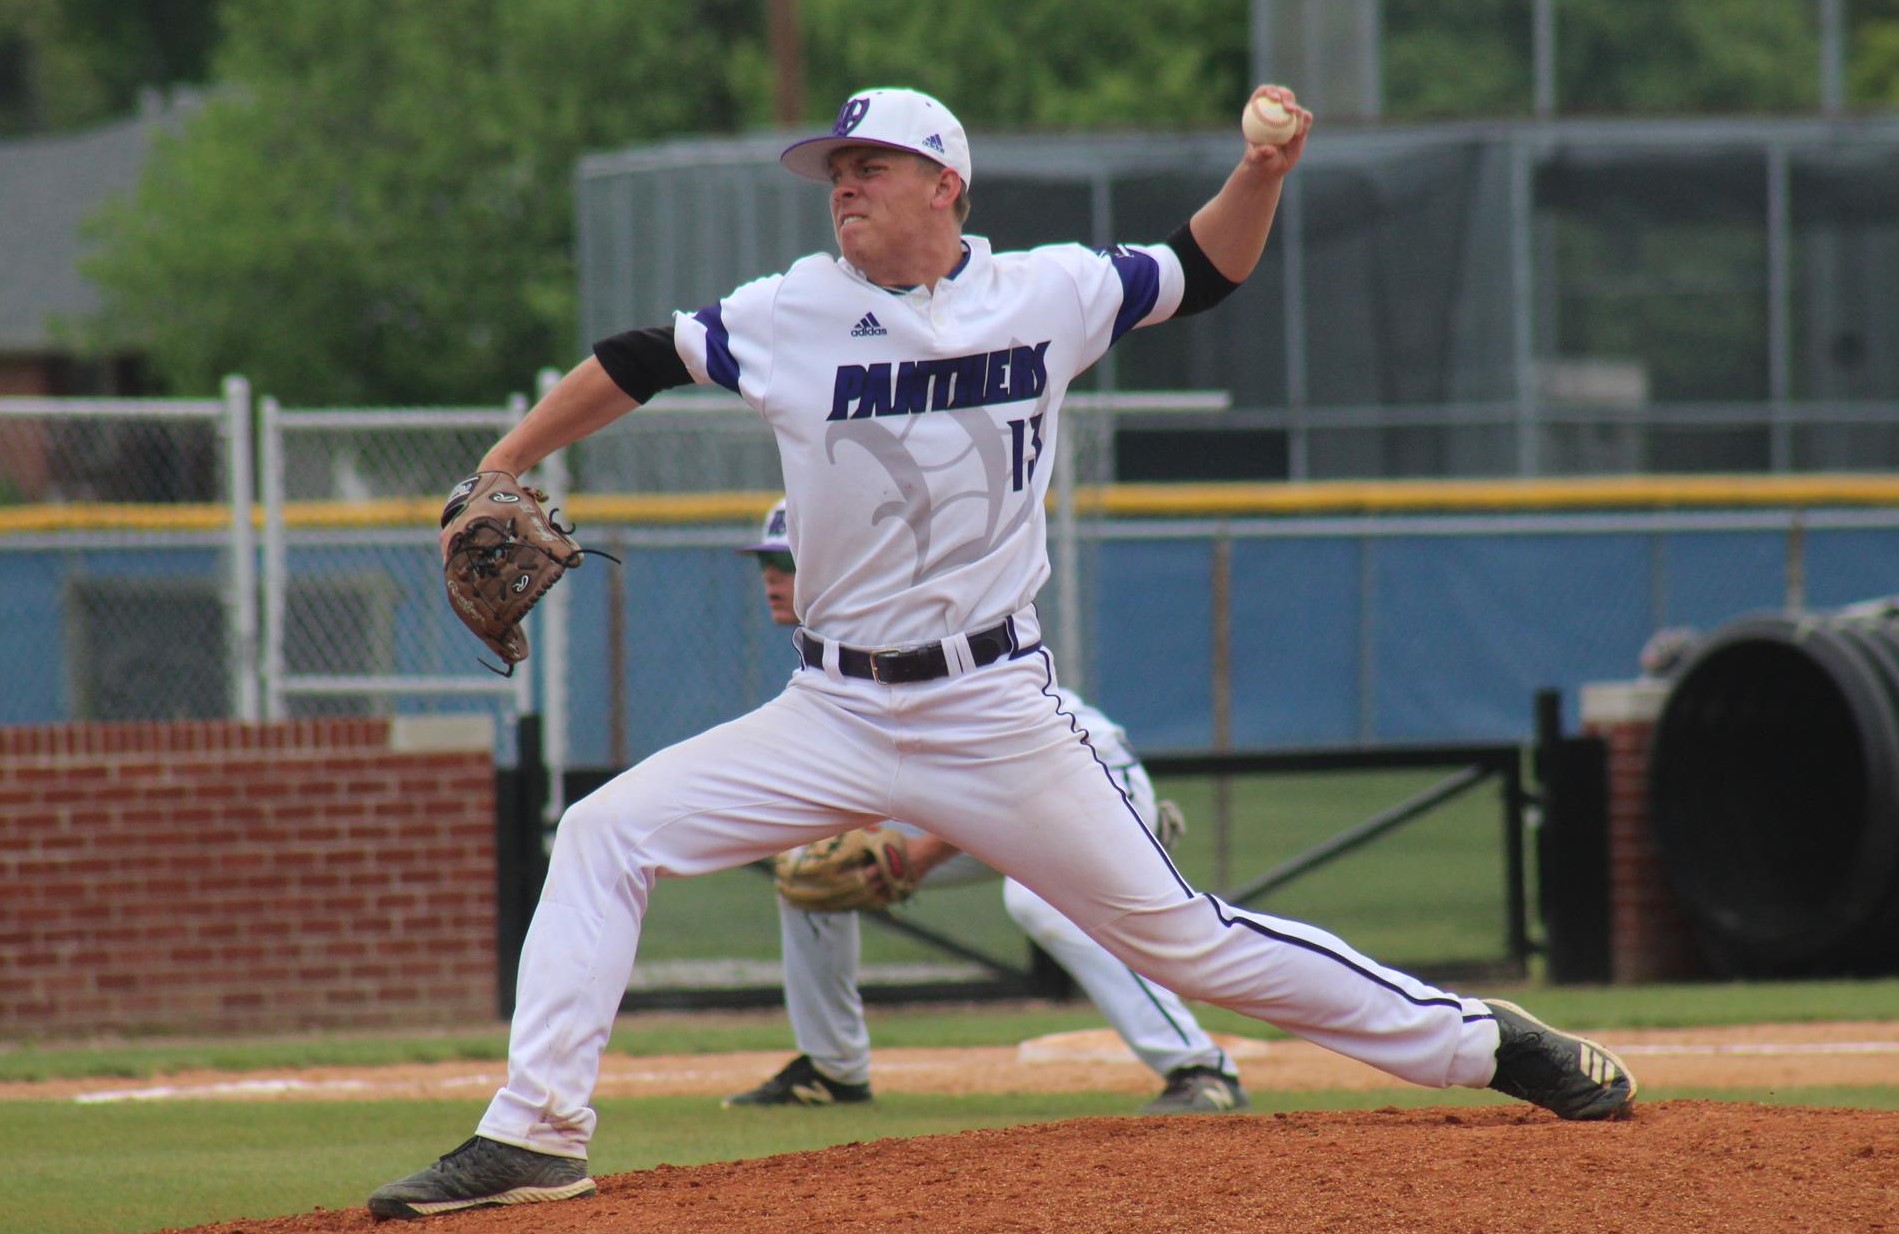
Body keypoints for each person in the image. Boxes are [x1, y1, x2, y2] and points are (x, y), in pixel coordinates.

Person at [370, 84, 1635, 1220]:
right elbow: (639, 358)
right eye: (835, 171)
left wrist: (1261, 172)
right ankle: (534, 1135)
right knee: (606, 832)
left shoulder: (1047, 292)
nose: (844, 186)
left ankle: (1485, 1044)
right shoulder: (788, 310)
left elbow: (1205, 269)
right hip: (832, 709)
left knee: (1185, 941)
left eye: (869, 166)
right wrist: (508, 459)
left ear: (945, 184)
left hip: (993, 707)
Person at [724, 497, 1247, 1115]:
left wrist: (920, 855)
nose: (771, 578)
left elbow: (991, 766)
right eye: (765, 564)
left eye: (788, 563)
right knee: (812, 868)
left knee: (1037, 899)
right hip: (975, 788)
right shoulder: (832, 653)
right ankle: (832, 1070)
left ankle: (1200, 1068)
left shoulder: (901, 628)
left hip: (1077, 773)